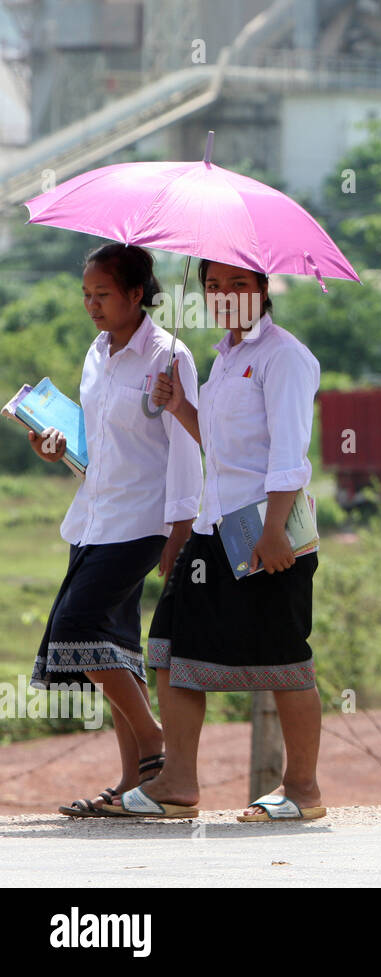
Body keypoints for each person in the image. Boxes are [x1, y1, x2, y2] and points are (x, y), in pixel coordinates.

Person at [118, 260, 326, 821]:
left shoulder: (283, 356)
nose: (224, 294)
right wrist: (180, 404)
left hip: (265, 529)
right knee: (170, 648)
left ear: (263, 288)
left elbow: (289, 452)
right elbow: (222, 446)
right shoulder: (226, 358)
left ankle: (303, 791)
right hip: (214, 530)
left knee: (284, 660)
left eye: (238, 283)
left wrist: (276, 529)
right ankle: (178, 783)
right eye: (213, 286)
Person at [30, 243, 202, 817]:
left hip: (143, 520)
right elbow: (100, 440)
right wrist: (59, 448)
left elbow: (185, 450)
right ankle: (135, 784)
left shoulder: (169, 357)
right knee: (119, 646)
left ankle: (155, 741)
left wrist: (180, 530)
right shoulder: (96, 353)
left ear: (136, 294)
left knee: (75, 627)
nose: (92, 306)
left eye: (102, 294)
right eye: (87, 295)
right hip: (93, 516)